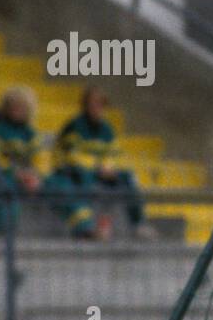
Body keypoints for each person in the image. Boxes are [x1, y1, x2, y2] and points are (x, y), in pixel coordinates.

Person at [49, 87, 149, 238]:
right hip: (74, 171)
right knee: (84, 176)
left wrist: (108, 167)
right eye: (93, 104)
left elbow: (113, 154)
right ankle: (85, 228)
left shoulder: (106, 129)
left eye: (100, 105)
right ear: (85, 105)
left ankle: (138, 224)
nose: (97, 108)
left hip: (100, 172)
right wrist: (98, 167)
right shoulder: (74, 126)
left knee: (128, 176)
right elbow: (72, 156)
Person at [0, 85, 43, 232]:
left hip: (24, 175)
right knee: (7, 188)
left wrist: (34, 175)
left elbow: (40, 159)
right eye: (13, 107)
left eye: (20, 107)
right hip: (1, 174)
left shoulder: (30, 133)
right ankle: (6, 229)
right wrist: (15, 172)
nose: (16, 111)